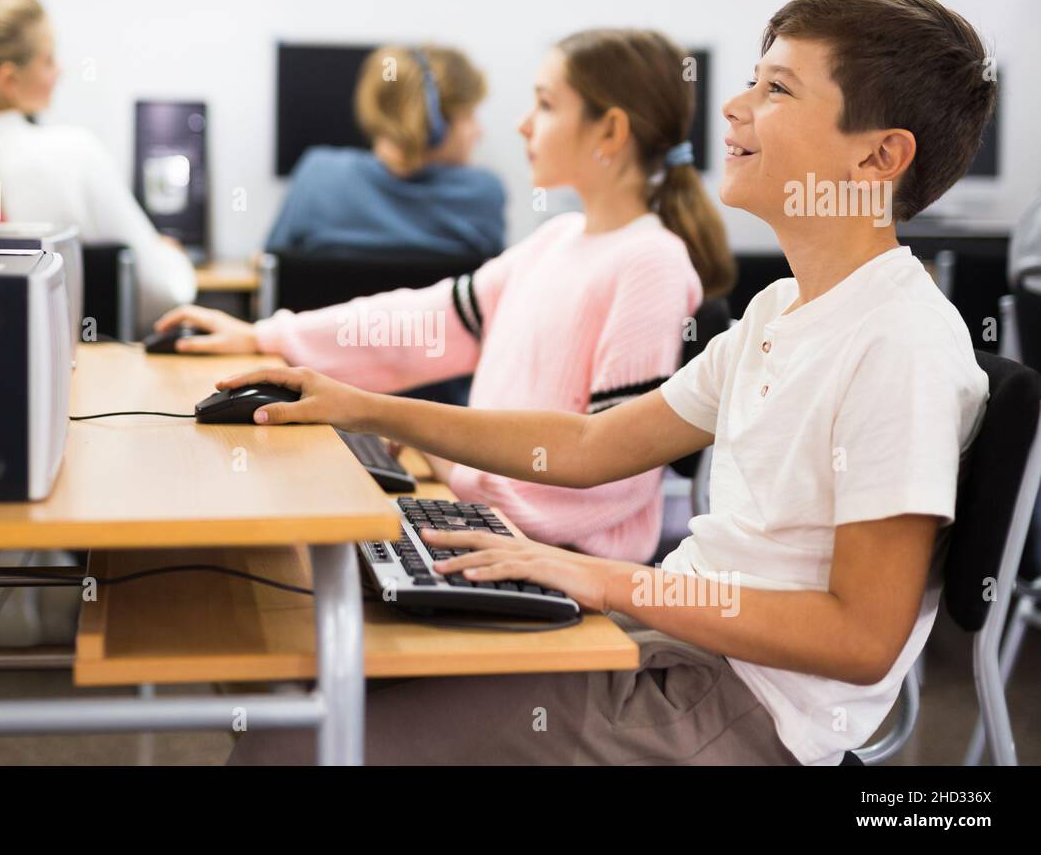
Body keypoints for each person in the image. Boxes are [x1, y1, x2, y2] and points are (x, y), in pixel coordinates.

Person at [219, 0, 995, 766]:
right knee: (308, 663)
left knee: (295, 744)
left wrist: (600, 580)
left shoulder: (899, 345)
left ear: (879, 155)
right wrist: (361, 407)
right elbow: (589, 444)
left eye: (776, 88)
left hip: (736, 705)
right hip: (671, 640)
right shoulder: (781, 310)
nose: (732, 106)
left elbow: (859, 639)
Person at [158, 29, 735, 563]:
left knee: (300, 605)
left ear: (609, 131)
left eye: (545, 104)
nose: (521, 125)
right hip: (496, 530)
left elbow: (610, 473)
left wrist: (452, 464)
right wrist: (265, 336)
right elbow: (423, 321)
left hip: (559, 565)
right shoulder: (557, 240)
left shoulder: (651, 262)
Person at [0, 0, 196, 332]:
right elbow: (165, 294)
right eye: (48, 60)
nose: (60, 70)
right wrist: (172, 258)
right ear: (8, 80)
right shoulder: (75, 154)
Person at [265, 44, 505, 258]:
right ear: (437, 124)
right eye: (470, 115)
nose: (479, 131)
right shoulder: (483, 194)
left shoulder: (318, 176)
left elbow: (270, 269)